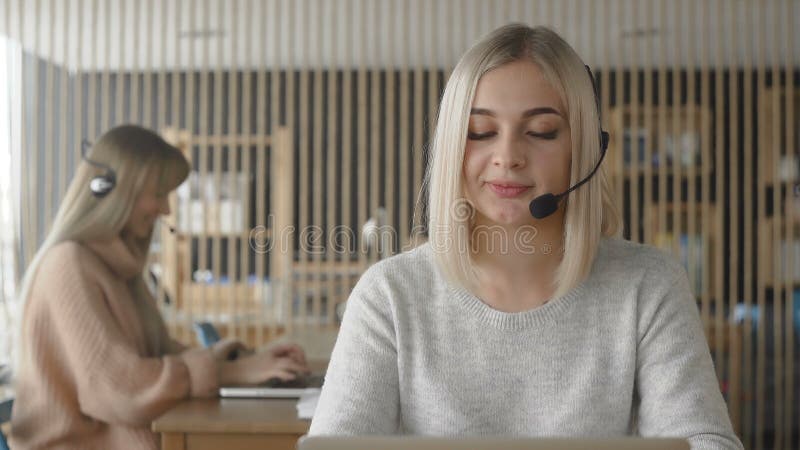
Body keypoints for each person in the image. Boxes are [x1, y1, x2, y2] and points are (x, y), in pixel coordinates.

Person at [309, 24, 743, 449]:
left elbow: (708, 441)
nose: (508, 157)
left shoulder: (648, 284)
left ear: (584, 149)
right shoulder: (389, 295)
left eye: (540, 132)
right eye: (481, 133)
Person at [9, 125, 309, 449]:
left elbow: (155, 355)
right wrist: (231, 374)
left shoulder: (118, 269)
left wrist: (234, 360)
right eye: (158, 193)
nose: (166, 210)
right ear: (111, 189)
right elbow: (120, 388)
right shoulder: (68, 265)